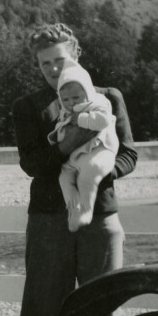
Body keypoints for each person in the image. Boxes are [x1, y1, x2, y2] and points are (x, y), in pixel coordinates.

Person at [9, 23, 138, 316]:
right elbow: (31, 164)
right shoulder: (28, 107)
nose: (51, 69)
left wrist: (99, 175)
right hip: (48, 219)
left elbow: (130, 153)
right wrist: (68, 148)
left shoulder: (108, 97)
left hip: (100, 217)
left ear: (76, 54)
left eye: (59, 60)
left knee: (104, 312)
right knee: (45, 310)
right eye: (44, 64)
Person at [47, 62, 119, 232]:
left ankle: (87, 209)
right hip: (76, 156)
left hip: (100, 151)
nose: (71, 103)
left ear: (87, 92)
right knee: (64, 178)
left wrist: (80, 120)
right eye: (65, 99)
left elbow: (103, 120)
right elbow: (62, 129)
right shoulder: (65, 112)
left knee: (88, 174)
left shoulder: (99, 102)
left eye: (76, 98)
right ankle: (74, 209)